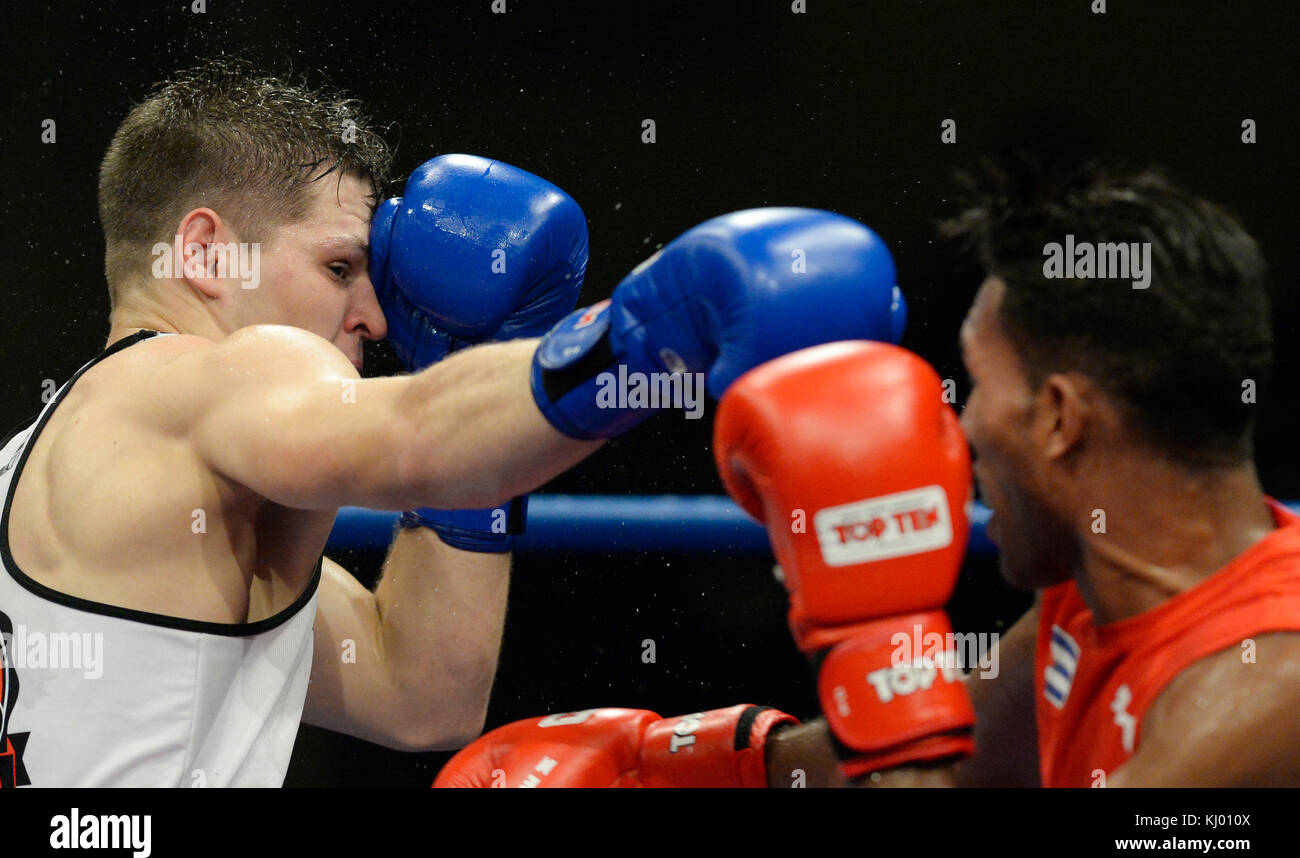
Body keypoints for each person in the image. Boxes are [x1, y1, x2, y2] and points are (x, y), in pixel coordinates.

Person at [0, 58, 904, 787]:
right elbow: (421, 439)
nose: (377, 317)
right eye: (340, 265)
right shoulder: (206, 377)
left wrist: (470, 387)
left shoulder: (69, 464)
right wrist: (646, 336)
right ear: (204, 252)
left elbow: (419, 696)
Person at [437, 160, 1300, 788]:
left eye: (976, 386)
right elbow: (961, 756)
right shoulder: (1099, 594)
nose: (957, 428)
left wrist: (873, 630)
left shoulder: (1266, 686)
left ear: (1061, 419)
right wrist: (669, 766)